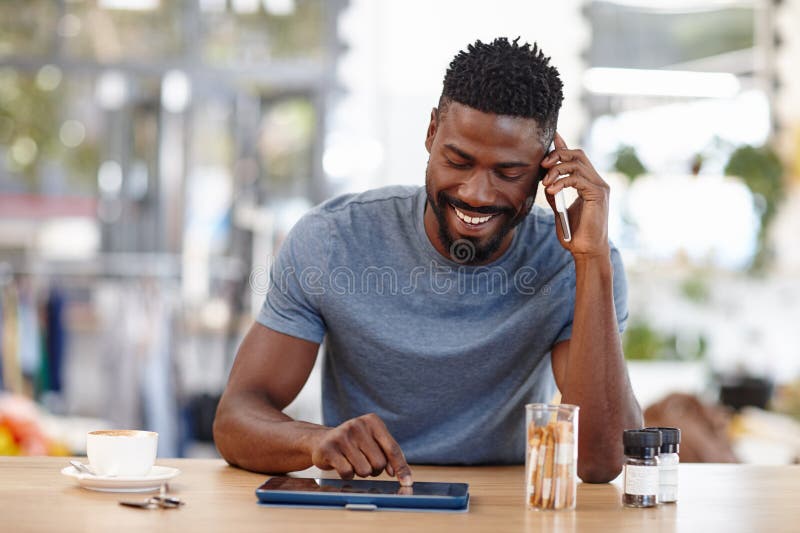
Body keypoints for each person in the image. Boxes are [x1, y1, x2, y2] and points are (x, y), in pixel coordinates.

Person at [213, 37, 642, 485]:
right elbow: (234, 420)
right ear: (431, 132)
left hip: (505, 507)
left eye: (509, 172)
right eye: (458, 161)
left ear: (547, 167)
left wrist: (593, 260)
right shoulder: (332, 239)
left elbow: (602, 460)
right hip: (366, 502)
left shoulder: (573, 262)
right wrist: (313, 441)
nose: (476, 193)